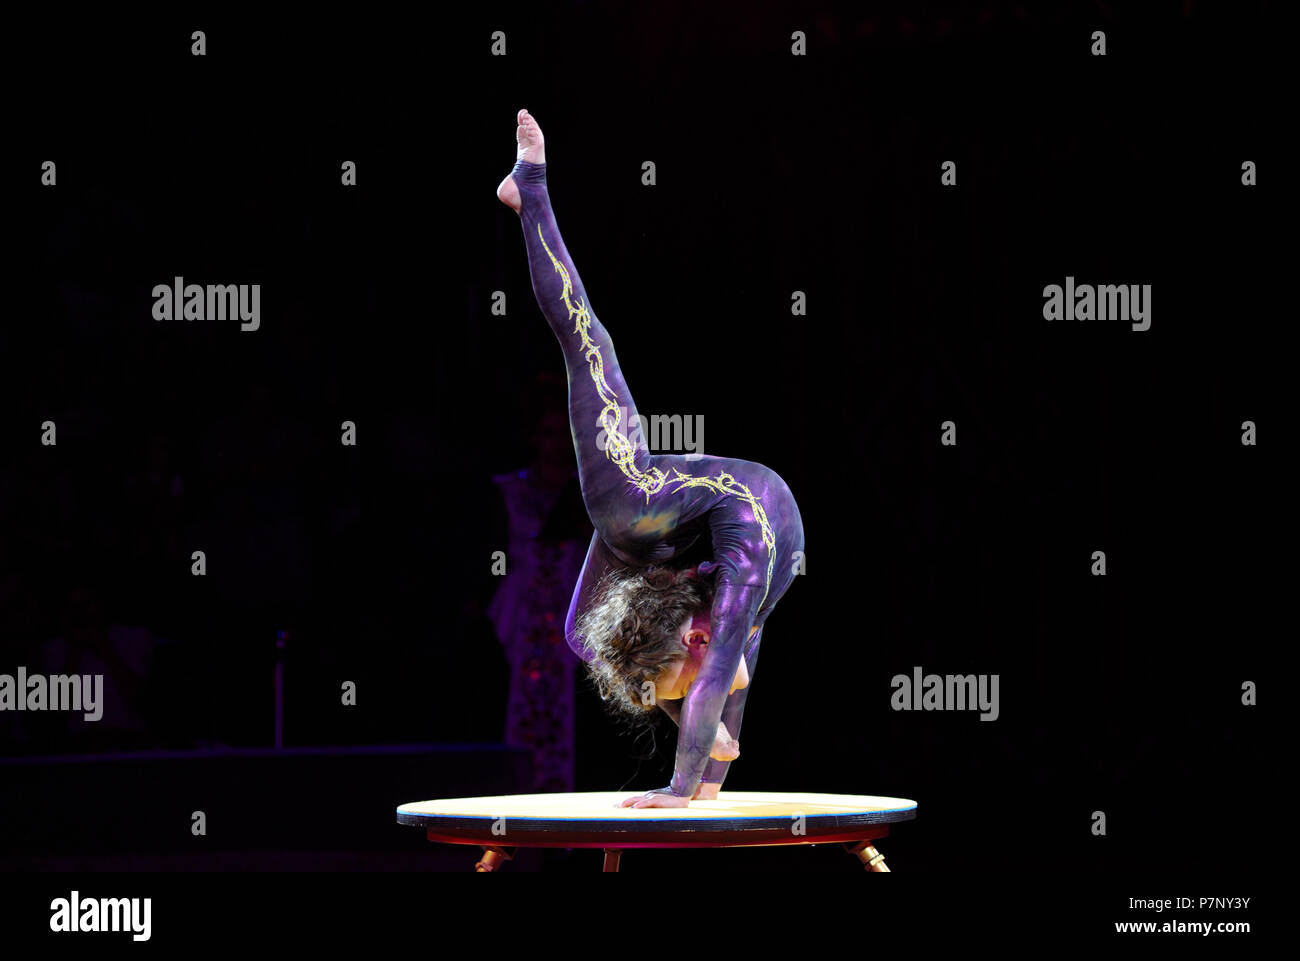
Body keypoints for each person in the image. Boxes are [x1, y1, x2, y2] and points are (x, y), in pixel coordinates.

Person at [496, 110, 804, 808]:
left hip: (662, 518)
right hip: (667, 511)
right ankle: (530, 188)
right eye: (686, 692)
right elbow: (721, 672)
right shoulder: (724, 589)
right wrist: (692, 784)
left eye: (681, 695)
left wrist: (692, 785)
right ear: (699, 637)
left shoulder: (723, 612)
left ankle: (531, 190)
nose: (688, 700)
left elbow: (720, 681)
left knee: (582, 633)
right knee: (583, 340)